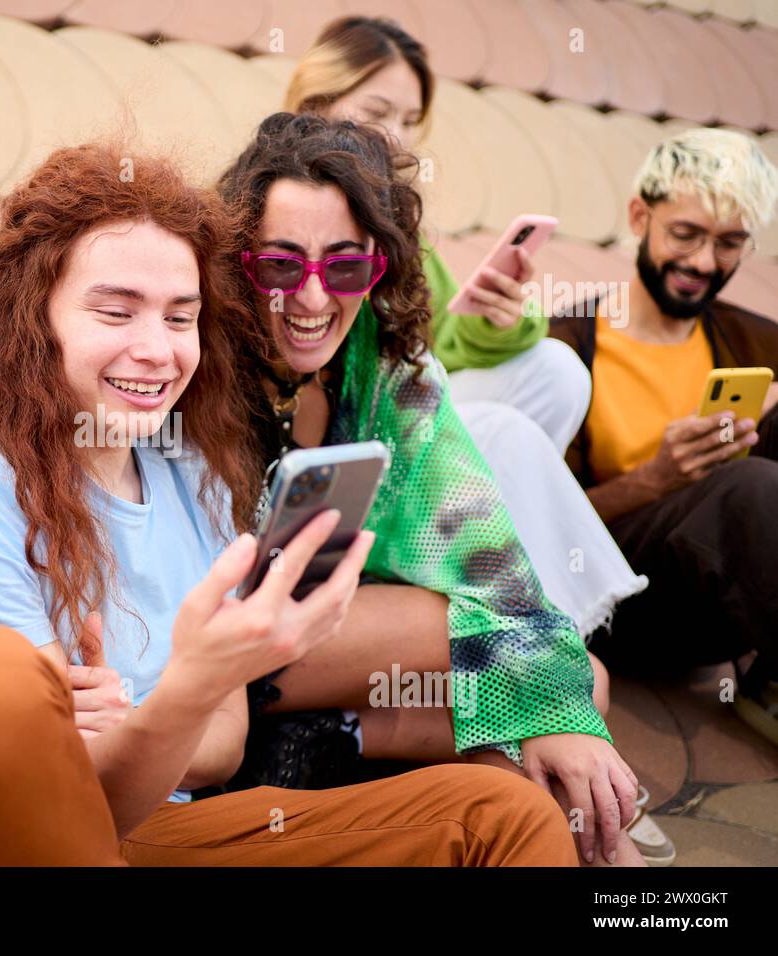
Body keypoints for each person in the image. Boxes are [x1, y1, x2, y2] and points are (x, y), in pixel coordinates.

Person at [0, 141, 579, 866]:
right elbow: (56, 797)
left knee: (504, 816)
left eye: (178, 317)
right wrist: (183, 694)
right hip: (26, 839)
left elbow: (226, 746)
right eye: (116, 312)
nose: (156, 350)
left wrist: (151, 713)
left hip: (168, 829)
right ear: (33, 318)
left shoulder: (188, 465)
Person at [216, 113, 644, 866]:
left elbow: (484, 550)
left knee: (579, 696)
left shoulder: (384, 373)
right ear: (238, 259)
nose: (313, 299)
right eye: (282, 265)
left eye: (344, 266)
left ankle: (328, 746)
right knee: (548, 681)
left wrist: (565, 715)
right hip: (214, 653)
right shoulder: (200, 357)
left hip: (324, 667)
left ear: (380, 265)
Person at [286, 16, 647, 639]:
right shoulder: (279, 197)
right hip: (344, 436)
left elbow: (436, 344)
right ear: (318, 103)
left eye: (409, 119)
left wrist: (494, 318)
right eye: (379, 111)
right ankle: (540, 627)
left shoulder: (396, 219)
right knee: (503, 435)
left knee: (558, 371)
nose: (397, 136)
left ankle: (496, 567)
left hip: (410, 409)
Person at [550, 128, 778, 746]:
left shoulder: (750, 340)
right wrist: (657, 478)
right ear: (638, 217)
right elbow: (538, 527)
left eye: (729, 243)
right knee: (750, 487)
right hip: (620, 611)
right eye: (686, 234)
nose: (705, 262)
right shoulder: (569, 345)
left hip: (724, 601)